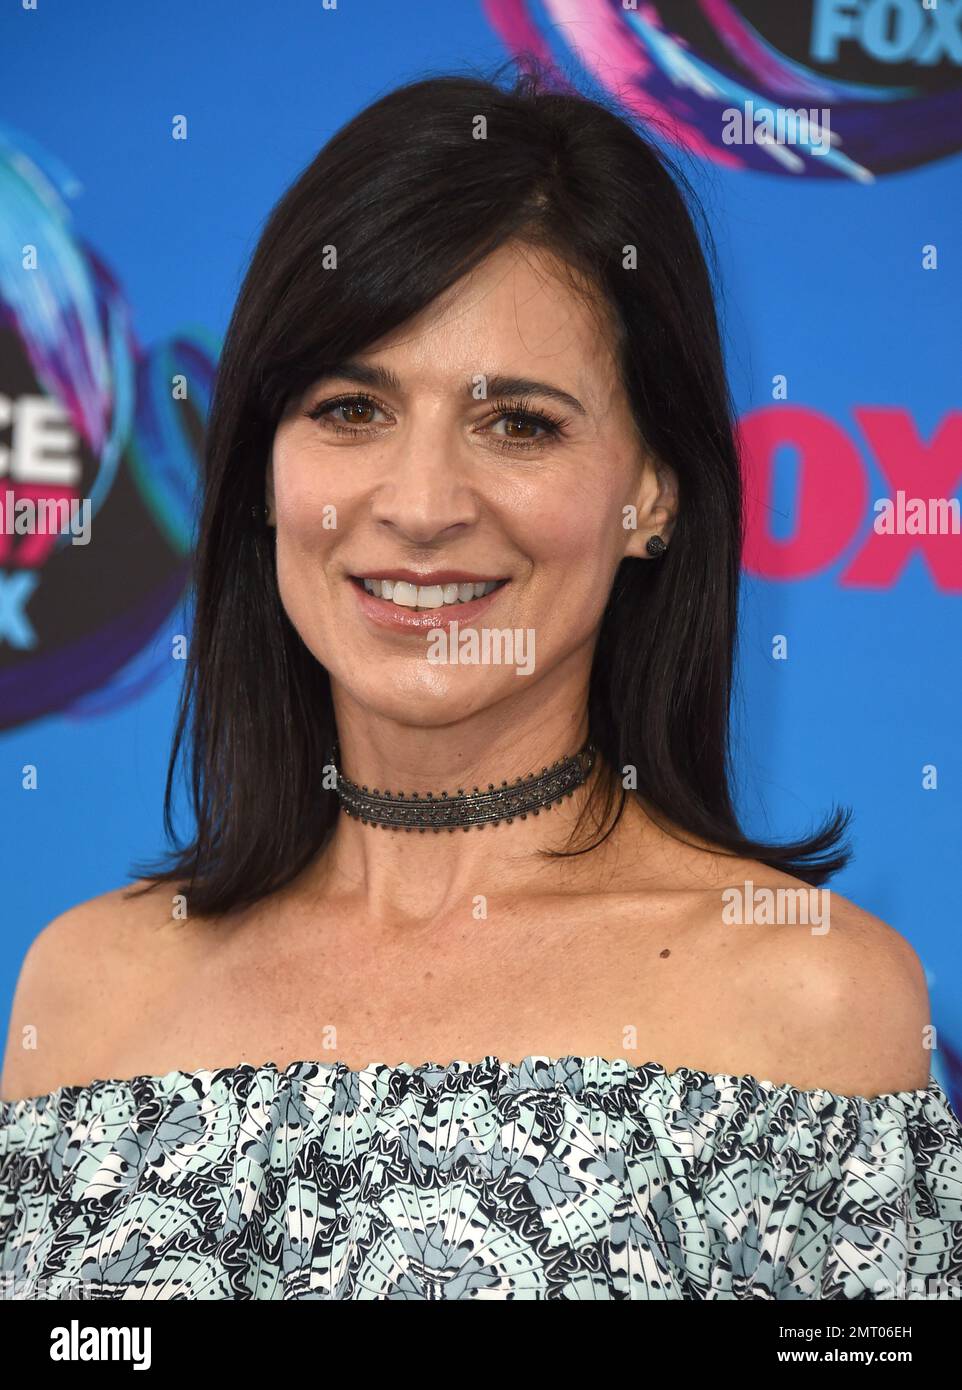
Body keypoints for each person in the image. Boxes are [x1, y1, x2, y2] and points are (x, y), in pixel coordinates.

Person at [2, 67, 960, 1302]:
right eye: (350, 407)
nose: (419, 506)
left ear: (653, 494)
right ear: (261, 474)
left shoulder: (812, 1002)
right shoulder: (86, 990)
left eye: (517, 423)